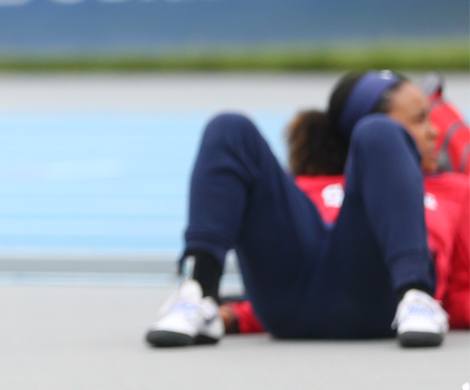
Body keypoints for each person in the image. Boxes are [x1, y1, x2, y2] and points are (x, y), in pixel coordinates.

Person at [146, 70, 452, 348]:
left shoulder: (455, 190)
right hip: (286, 303)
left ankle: (416, 296)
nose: (434, 132)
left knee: (379, 131)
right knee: (228, 127)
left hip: (375, 301)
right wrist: (236, 316)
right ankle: (198, 293)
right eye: (420, 119)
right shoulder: (306, 183)